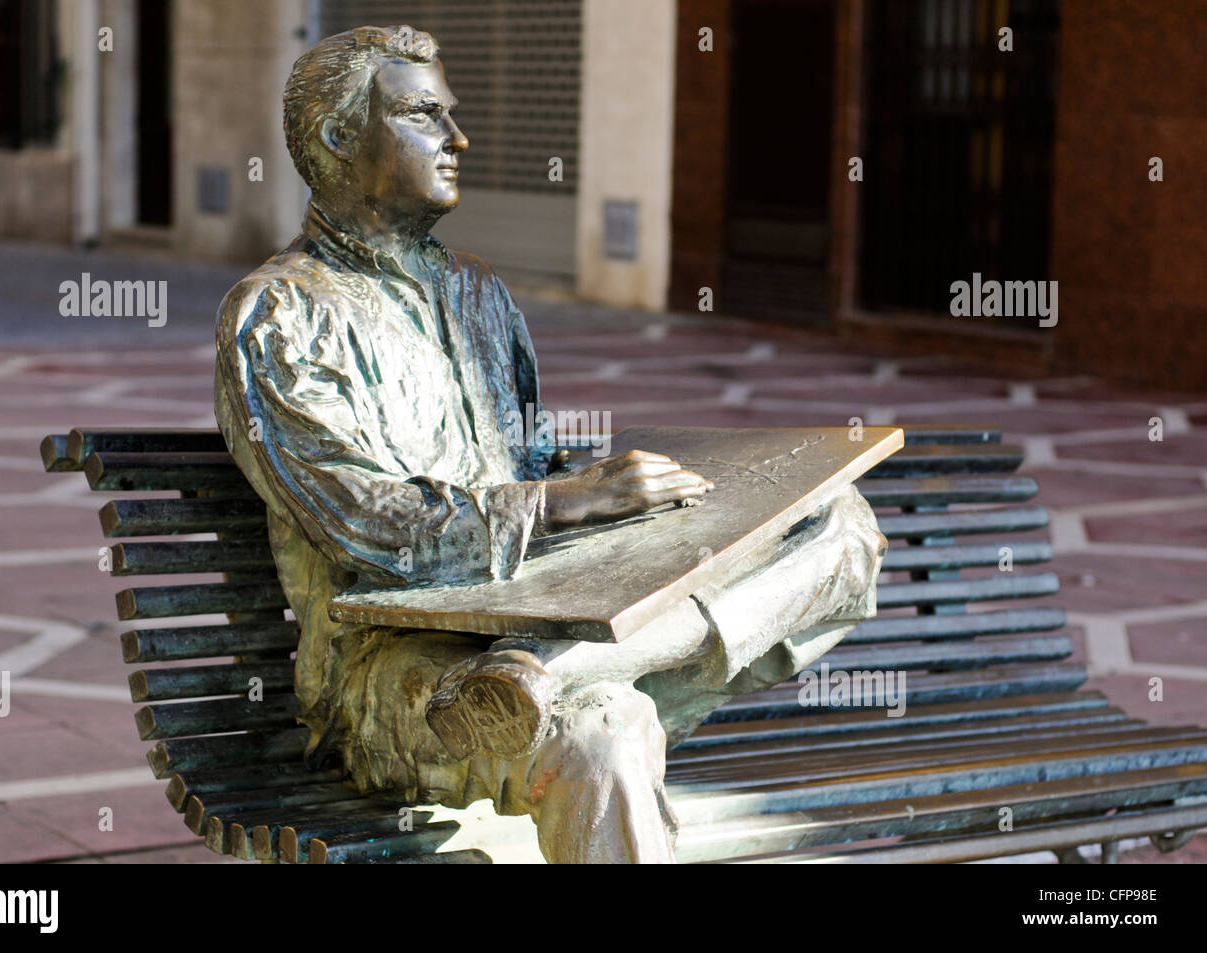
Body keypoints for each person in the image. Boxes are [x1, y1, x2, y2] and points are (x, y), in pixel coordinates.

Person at [214, 24, 887, 863]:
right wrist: (573, 498)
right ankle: (549, 679)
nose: (458, 138)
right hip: (397, 675)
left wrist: (665, 494)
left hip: (541, 630)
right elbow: (368, 523)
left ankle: (542, 671)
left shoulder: (481, 294)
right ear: (339, 137)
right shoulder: (280, 315)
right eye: (425, 115)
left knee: (841, 527)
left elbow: (529, 462)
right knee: (605, 730)